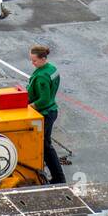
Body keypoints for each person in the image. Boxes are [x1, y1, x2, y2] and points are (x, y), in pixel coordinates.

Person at [27, 44, 64, 184]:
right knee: (46, 145)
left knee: (45, 147)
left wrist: (29, 106)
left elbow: (44, 99)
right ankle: (57, 177)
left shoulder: (42, 75)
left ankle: (58, 178)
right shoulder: (52, 69)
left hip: (45, 113)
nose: (33, 63)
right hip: (52, 110)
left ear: (43, 59)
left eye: (35, 60)